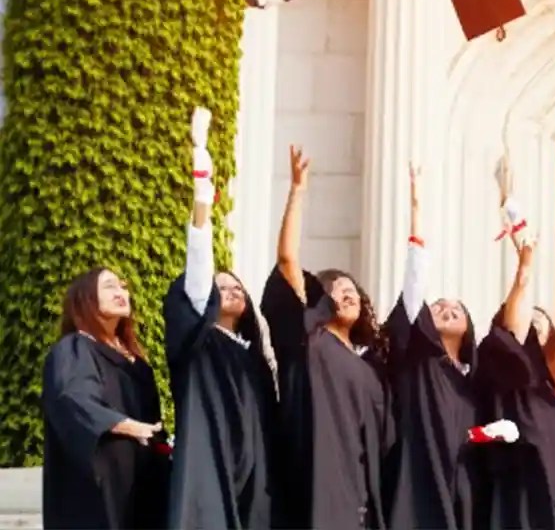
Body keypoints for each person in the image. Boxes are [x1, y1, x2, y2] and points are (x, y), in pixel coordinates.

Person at [261, 145, 394, 529]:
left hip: (362, 503)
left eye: (353, 288)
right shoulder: (309, 341)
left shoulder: (370, 367)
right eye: (336, 287)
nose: (347, 291)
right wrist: (298, 190)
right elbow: (288, 260)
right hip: (315, 494)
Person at [163, 108, 277, 529]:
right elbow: (197, 273)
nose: (229, 291)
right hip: (210, 465)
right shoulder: (197, 344)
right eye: (220, 287)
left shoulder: (253, 357)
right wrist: (201, 199)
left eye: (236, 287)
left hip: (253, 478)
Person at [383, 165, 485, 529]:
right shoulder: (419, 359)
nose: (445, 308)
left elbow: (473, 434)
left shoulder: (474, 385)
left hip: (461, 491)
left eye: (456, 309)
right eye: (439, 305)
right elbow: (412, 294)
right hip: (417, 485)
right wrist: (416, 211)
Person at [42, 267, 169, 529]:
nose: (121, 292)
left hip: (142, 490)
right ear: (86, 298)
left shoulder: (138, 364)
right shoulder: (75, 348)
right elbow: (73, 400)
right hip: (100, 494)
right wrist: (127, 425)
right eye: (110, 286)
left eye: (123, 286)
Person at [476, 192, 555, 529]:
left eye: (543, 320)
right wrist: (524, 264)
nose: (535, 321)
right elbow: (517, 317)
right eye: (531, 319)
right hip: (518, 490)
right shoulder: (510, 370)